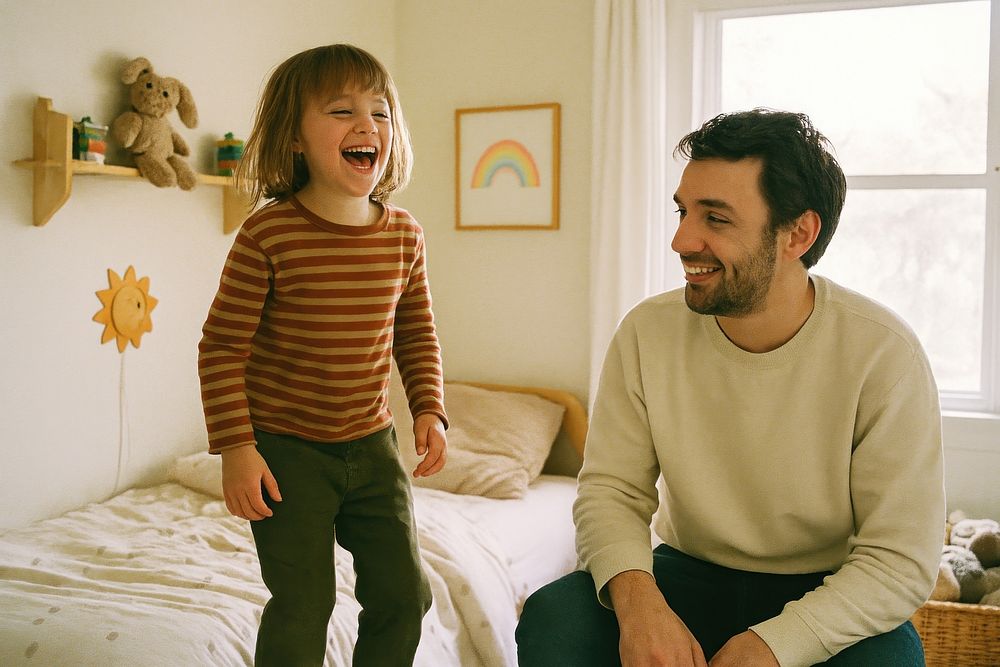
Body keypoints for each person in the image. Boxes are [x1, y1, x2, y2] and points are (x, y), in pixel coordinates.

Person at [516, 109, 945, 666]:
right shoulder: (648, 331)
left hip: (825, 589)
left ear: (798, 234)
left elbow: (900, 560)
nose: (680, 240)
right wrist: (640, 605)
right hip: (684, 575)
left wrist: (773, 645)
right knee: (556, 620)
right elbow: (612, 493)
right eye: (682, 211)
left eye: (715, 219)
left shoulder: (884, 354)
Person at [197, 44, 448, 667]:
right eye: (342, 110)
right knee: (303, 603)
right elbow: (222, 348)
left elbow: (415, 331)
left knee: (404, 596)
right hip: (286, 450)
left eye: (380, 112)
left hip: (372, 445)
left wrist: (429, 408)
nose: (367, 125)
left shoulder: (404, 235)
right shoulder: (268, 233)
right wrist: (236, 447)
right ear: (294, 139)